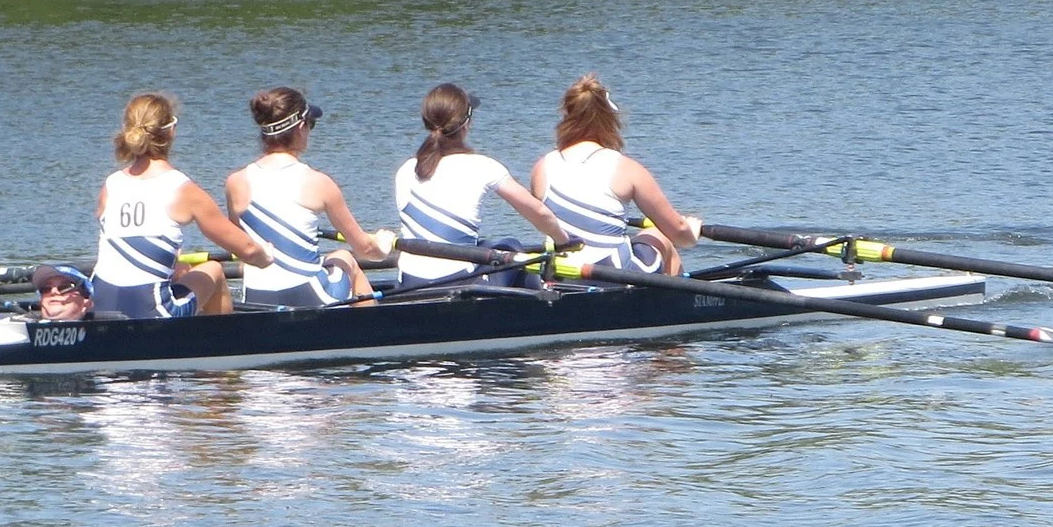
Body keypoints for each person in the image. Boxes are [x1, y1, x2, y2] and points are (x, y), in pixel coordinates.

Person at [90, 93, 271, 318]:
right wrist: (266, 257)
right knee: (214, 269)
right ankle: (223, 338)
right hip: (152, 312)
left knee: (179, 271)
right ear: (171, 130)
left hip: (98, 307)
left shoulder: (110, 185)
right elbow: (247, 249)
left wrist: (172, 264)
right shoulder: (182, 189)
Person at [225, 88, 393, 307]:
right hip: (309, 296)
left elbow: (239, 247)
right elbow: (366, 249)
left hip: (256, 297)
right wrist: (383, 246)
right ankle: (373, 327)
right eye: (311, 124)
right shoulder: (319, 182)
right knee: (344, 257)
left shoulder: (235, 182)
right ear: (301, 127)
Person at [392, 83, 568, 289]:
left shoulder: (406, 170)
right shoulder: (482, 166)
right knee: (512, 248)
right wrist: (562, 241)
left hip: (409, 283)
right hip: (458, 281)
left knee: (484, 246)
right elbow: (540, 213)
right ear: (467, 124)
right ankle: (545, 304)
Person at [530, 74, 701, 275]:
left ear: (566, 115)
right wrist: (690, 233)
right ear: (610, 119)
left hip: (562, 272)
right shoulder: (627, 168)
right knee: (659, 235)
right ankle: (680, 294)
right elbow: (679, 232)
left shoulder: (542, 168)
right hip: (612, 274)